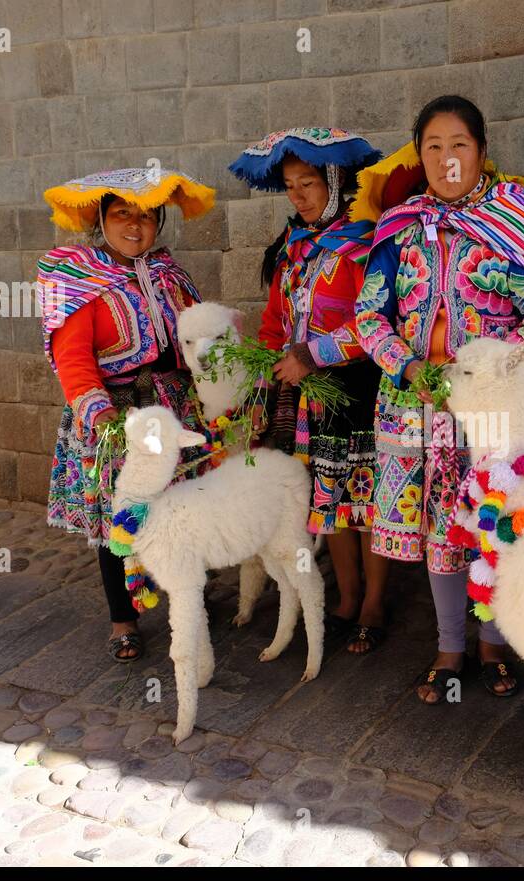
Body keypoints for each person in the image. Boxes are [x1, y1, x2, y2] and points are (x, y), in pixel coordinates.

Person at [291, 95, 524, 703]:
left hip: (495, 410)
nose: (447, 159)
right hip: (418, 405)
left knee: (499, 520)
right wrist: (409, 364)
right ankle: (450, 646)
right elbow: (372, 317)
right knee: (441, 528)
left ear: (481, 151)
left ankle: (495, 643)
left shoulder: (513, 217)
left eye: (459, 146)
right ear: (419, 156)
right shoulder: (400, 227)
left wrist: (494, 367)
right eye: (433, 147)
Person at [38, 167, 217, 662]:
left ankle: (188, 602)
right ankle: (124, 620)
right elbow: (72, 357)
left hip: (174, 408)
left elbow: (195, 338)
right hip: (118, 415)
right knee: (122, 519)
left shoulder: (169, 272)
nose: (135, 225)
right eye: (122, 214)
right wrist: (101, 419)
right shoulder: (77, 277)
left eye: (145, 216)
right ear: (102, 218)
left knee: (182, 511)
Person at [229, 128, 392, 653]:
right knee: (329, 500)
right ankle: (346, 596)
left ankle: (374, 603)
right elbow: (276, 322)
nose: (298, 196)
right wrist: (262, 373)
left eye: (308, 184)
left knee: (364, 499)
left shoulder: (365, 243)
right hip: (311, 396)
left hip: (361, 387)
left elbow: (378, 320)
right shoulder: (292, 250)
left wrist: (314, 354)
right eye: (291, 186)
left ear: (336, 182)